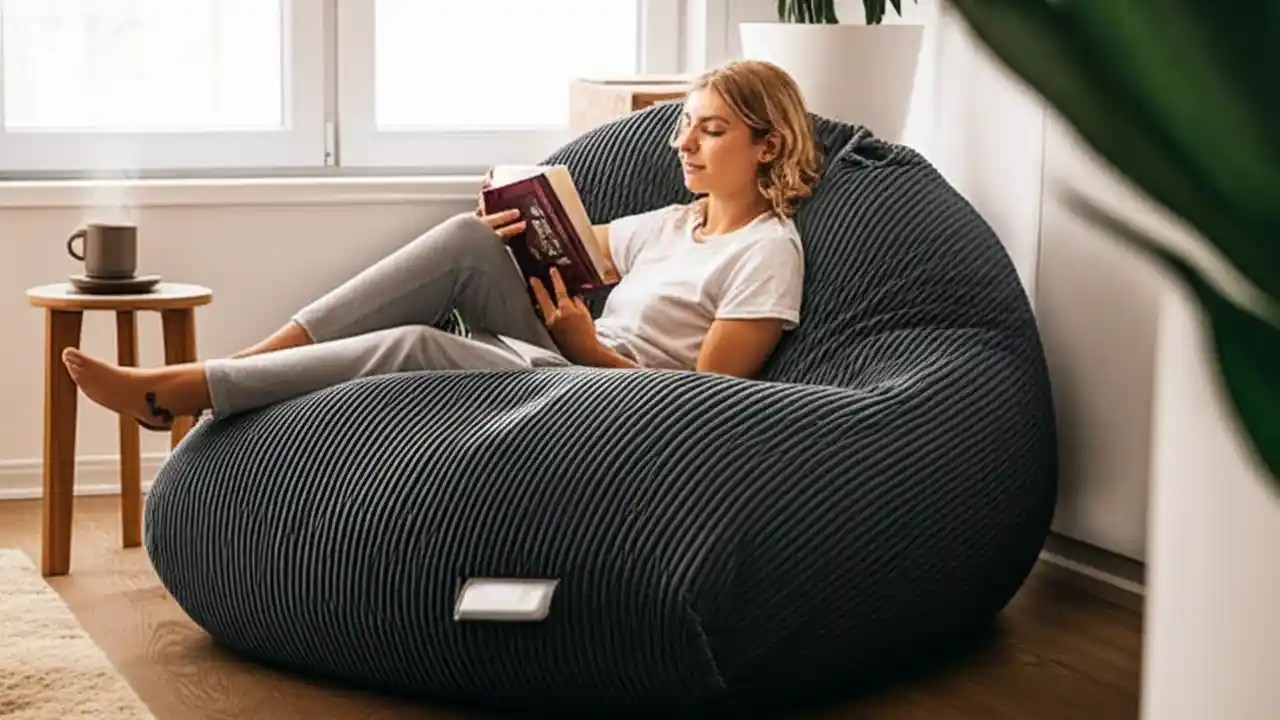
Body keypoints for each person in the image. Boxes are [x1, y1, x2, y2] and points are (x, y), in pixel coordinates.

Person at [61, 59, 822, 431]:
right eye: (683, 125)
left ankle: (187, 389)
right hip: (566, 356)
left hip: (610, 395)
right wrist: (511, 213)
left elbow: (719, 406)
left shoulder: (766, 252)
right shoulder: (671, 223)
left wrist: (586, 348)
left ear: (769, 144)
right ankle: (248, 361)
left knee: (415, 345)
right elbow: (562, 240)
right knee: (467, 239)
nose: (683, 144)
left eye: (710, 130)